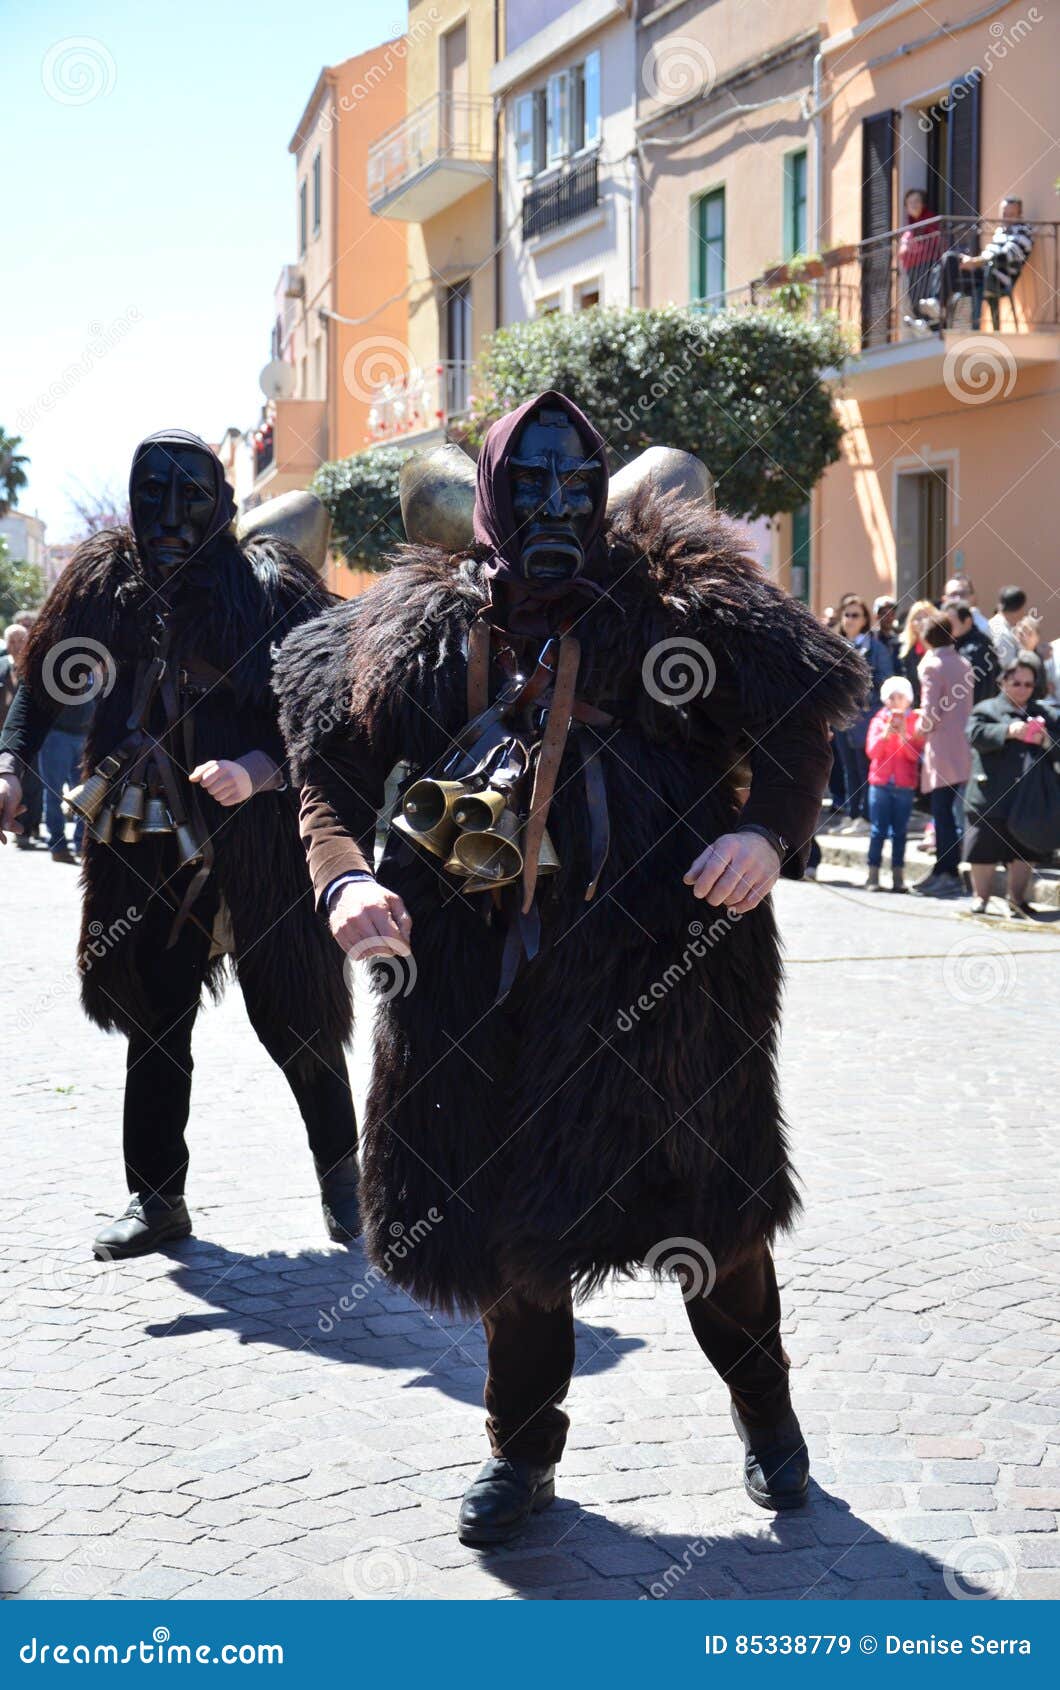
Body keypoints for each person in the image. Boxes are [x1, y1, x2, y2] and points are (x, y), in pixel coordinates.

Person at [273, 391, 867, 1544]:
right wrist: (342, 880)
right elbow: (325, 778)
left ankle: (768, 1418)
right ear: (493, 495)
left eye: (574, 484)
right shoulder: (423, 628)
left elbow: (799, 718)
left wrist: (767, 832)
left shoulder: (678, 599)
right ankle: (520, 1454)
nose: (553, 505)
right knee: (510, 1241)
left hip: (671, 976)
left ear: (600, 493)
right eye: (530, 484)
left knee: (716, 1231)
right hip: (479, 985)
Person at [0, 429, 360, 1258]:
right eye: (151, 495)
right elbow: (42, 684)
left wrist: (260, 769)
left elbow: (334, 716)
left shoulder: (270, 587)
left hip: (261, 843)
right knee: (155, 1018)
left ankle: (347, 1188)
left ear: (223, 505)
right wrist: (13, 765)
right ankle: (157, 1196)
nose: (168, 516)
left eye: (190, 498)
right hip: (146, 838)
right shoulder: (103, 583)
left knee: (297, 1017)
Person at [963, 658, 1060, 918]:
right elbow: (974, 735)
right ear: (1003, 682)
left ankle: (1017, 899)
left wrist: (1046, 740)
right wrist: (1007, 731)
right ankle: (980, 898)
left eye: (1028, 684)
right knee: (983, 849)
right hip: (989, 794)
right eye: (1016, 683)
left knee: (1025, 850)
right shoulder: (987, 708)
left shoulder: (1047, 713)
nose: (1023, 689)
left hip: (1030, 796)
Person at [913, 613, 974, 899]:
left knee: (942, 812)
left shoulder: (931, 666)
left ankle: (946, 871)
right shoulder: (963, 663)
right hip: (963, 744)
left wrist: (915, 727)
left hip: (941, 746)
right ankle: (945, 869)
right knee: (950, 810)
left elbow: (930, 713)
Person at [922, 197, 1035, 331]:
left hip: (997, 279)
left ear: (1020, 215)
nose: (1006, 218)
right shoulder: (1001, 231)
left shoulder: (1023, 231)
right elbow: (989, 256)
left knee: (949, 270)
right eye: (1004, 214)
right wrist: (971, 262)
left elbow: (1004, 256)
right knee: (948, 261)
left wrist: (975, 262)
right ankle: (934, 313)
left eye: (1011, 214)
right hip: (984, 272)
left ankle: (935, 316)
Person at [833, 596, 896, 832]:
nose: (850, 619)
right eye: (847, 614)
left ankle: (867, 818)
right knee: (847, 768)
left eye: (855, 615)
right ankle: (853, 815)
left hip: (866, 716)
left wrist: (861, 684)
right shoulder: (835, 645)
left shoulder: (875, 647)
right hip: (842, 716)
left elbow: (885, 681)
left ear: (864, 620)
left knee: (865, 768)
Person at [864, 675, 924, 892]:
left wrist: (903, 736)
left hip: (904, 785)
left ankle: (898, 877)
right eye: (891, 697)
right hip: (880, 783)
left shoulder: (915, 721)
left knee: (900, 832)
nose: (896, 701)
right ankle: (873, 875)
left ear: (908, 699)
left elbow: (914, 756)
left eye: (900, 696)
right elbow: (872, 752)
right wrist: (885, 735)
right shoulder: (878, 721)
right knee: (877, 830)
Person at [39, 687, 95, 863]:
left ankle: (81, 844)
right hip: (58, 734)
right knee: (53, 792)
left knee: (85, 793)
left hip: (84, 735)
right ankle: (58, 845)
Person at [0, 624, 42, 850]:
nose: (16, 646)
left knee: (33, 784)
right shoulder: (0, 666)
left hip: (30, 738)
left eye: (20, 640)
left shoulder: (38, 668)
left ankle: (30, 826)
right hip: (3, 736)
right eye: (12, 641)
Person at [898, 188, 942, 330]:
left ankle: (932, 326)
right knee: (915, 298)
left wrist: (913, 249)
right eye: (910, 203)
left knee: (926, 298)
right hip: (912, 268)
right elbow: (903, 253)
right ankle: (922, 323)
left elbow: (935, 244)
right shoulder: (910, 226)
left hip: (928, 265)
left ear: (923, 204)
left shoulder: (930, 221)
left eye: (916, 201)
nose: (913, 205)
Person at [945, 599, 999, 703]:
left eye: (951, 622)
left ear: (967, 621)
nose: (947, 627)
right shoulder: (956, 644)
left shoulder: (977, 648)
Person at [897, 599, 936, 707]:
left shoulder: (942, 648)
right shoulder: (904, 651)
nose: (923, 621)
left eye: (926, 617)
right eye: (918, 618)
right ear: (911, 624)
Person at [990, 586, 1029, 670]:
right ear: (1017, 611)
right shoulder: (1002, 634)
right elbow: (1008, 668)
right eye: (1023, 608)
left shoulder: (999, 624)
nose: (1024, 613)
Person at [943, 573, 992, 638]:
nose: (958, 599)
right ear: (944, 599)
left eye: (963, 594)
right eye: (953, 595)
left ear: (973, 597)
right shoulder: (937, 627)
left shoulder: (983, 628)